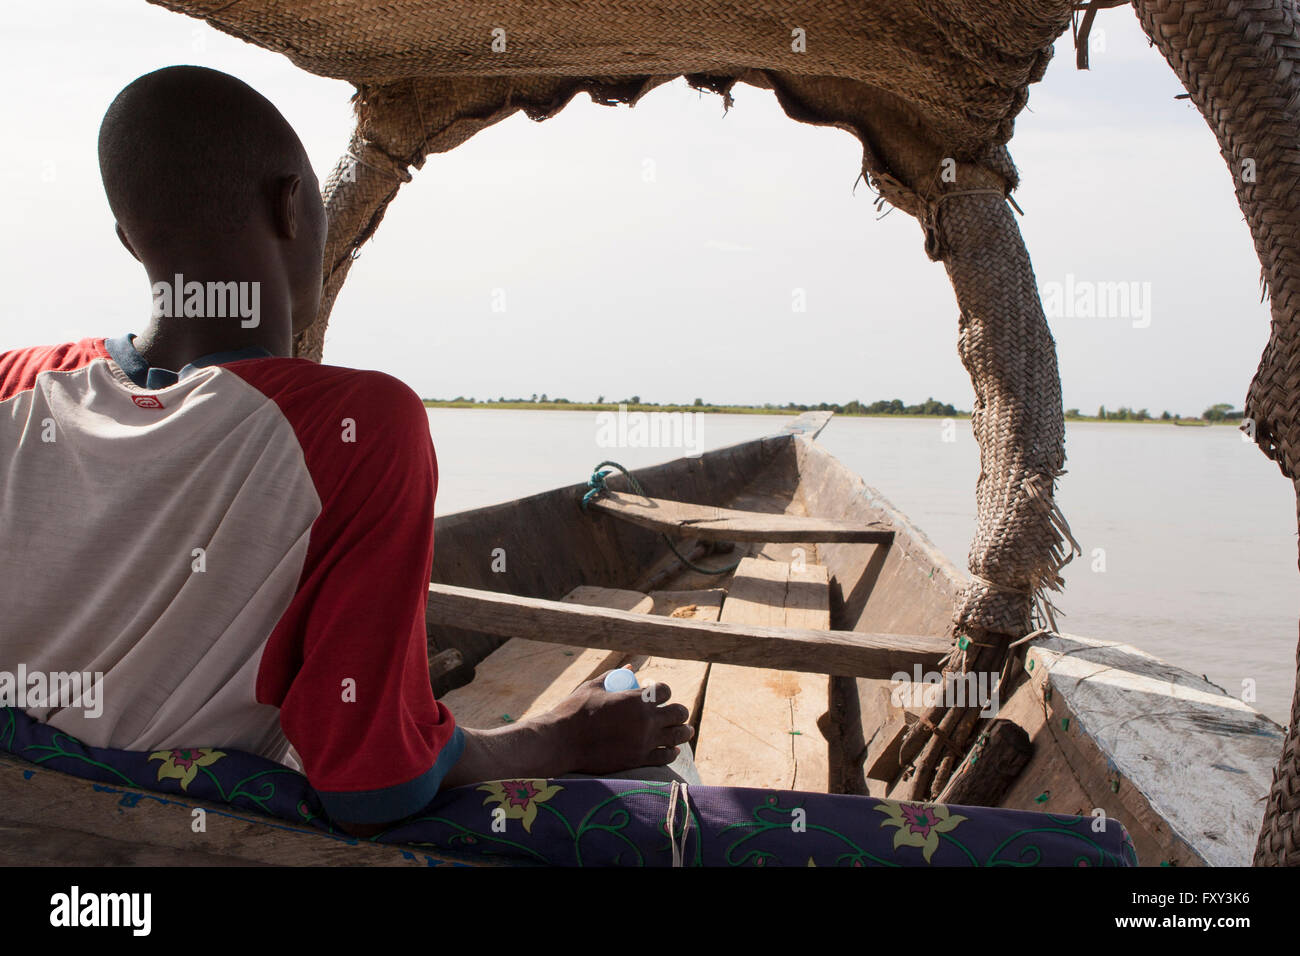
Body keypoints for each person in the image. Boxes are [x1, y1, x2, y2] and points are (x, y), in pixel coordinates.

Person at [0, 65, 692, 837]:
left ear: (129, 238)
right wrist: (568, 734)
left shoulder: (12, 389)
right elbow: (373, 785)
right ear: (292, 205)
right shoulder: (358, 425)